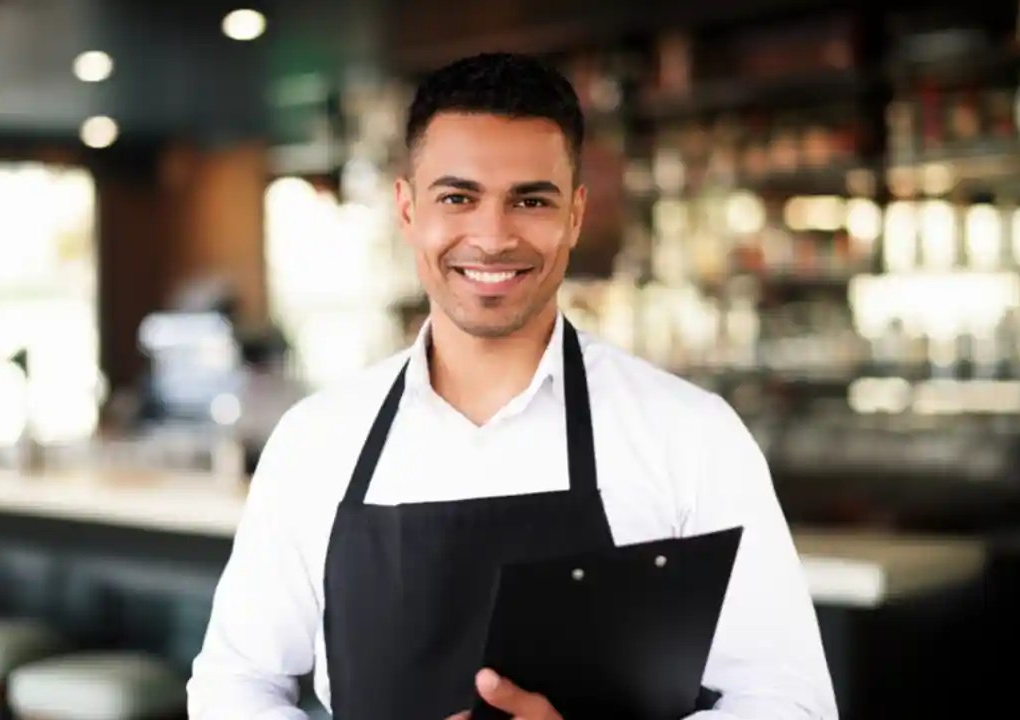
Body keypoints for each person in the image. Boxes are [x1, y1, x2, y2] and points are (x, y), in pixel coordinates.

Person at [188, 52, 837, 720]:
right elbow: (234, 684)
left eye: (530, 200)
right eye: (457, 198)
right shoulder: (316, 442)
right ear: (407, 210)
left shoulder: (690, 435)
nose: (493, 237)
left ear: (576, 215)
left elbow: (789, 702)